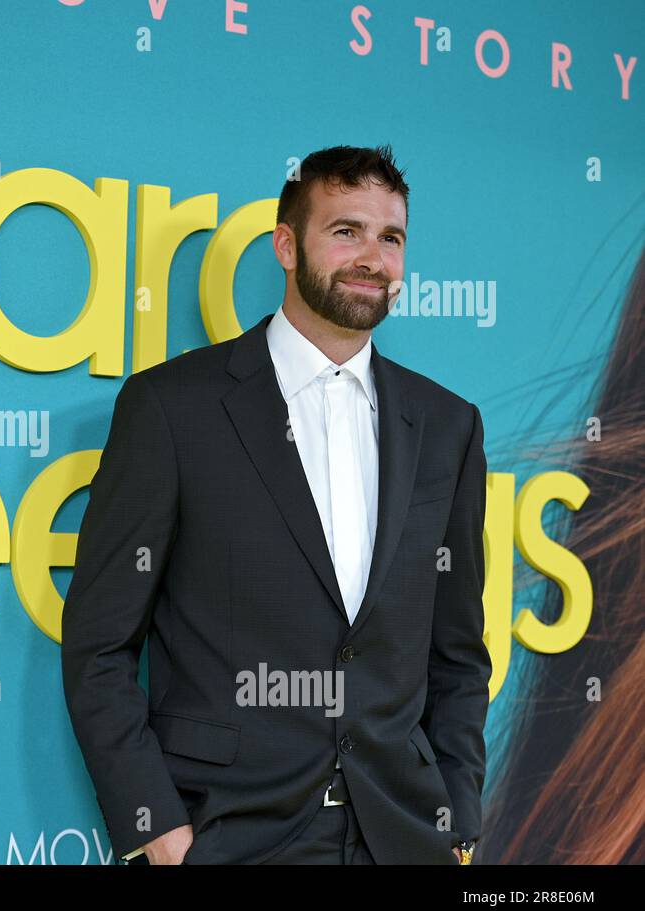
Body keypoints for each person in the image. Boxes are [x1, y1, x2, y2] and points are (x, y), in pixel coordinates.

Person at [60, 144, 489, 864]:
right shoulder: (172, 409)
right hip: (234, 837)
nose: (372, 258)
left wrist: (458, 818)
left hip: (404, 836)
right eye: (346, 231)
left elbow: (458, 654)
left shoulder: (448, 425)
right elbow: (99, 646)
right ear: (286, 246)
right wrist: (157, 831)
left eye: (391, 238)